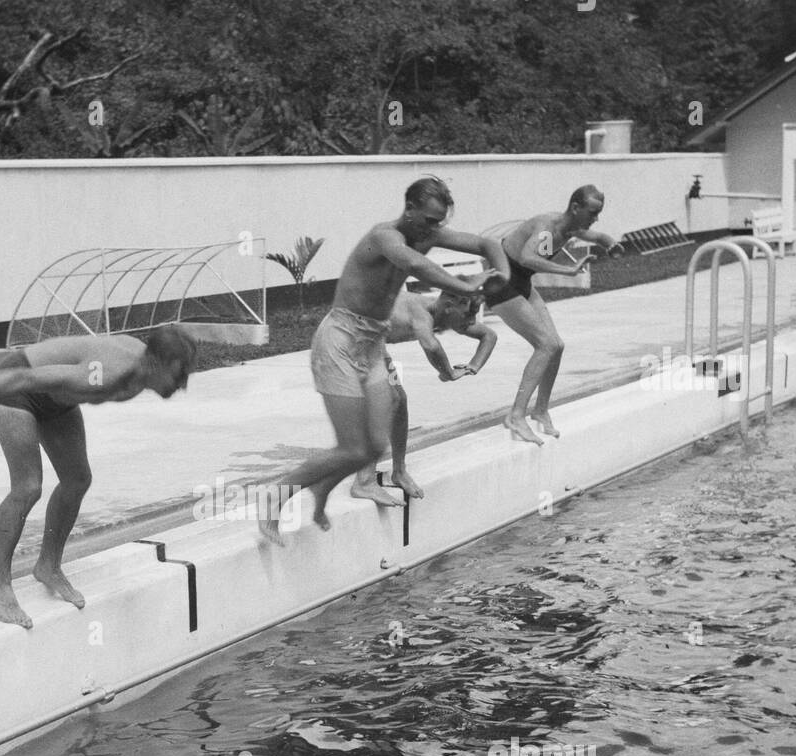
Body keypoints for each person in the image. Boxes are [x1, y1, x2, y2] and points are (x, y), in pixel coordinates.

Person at [257, 177, 503, 545]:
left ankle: (323, 490)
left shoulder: (428, 234)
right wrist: (467, 286)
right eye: (430, 220)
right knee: (352, 447)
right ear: (410, 209)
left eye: (440, 222)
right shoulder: (384, 237)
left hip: (372, 344)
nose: (436, 229)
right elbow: (415, 264)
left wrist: (504, 278)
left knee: (373, 446)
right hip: (339, 340)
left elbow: (488, 244)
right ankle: (276, 495)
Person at [0, 327, 197, 628]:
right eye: (179, 374)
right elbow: (24, 379)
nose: (182, 385)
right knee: (27, 487)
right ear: (156, 364)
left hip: (55, 402)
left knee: (77, 479)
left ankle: (48, 566)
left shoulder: (139, 370)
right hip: (18, 389)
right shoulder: (107, 372)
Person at [482, 185, 621, 444]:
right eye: (592, 212)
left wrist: (611, 244)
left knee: (556, 346)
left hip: (521, 281)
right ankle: (516, 415)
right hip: (503, 281)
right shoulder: (549, 226)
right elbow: (527, 257)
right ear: (576, 207)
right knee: (545, 345)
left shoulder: (573, 228)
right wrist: (567, 271)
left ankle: (541, 410)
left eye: (599, 213)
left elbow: (598, 235)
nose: (595, 218)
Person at [351, 288, 497, 504]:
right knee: (384, 401)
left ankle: (399, 471)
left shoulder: (451, 314)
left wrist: (473, 366)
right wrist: (448, 373)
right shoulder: (422, 312)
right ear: (448, 306)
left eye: (473, 315)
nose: (470, 321)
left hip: (375, 342)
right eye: (467, 314)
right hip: (356, 336)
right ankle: (363, 482)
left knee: (399, 401)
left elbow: (489, 335)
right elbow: (430, 345)